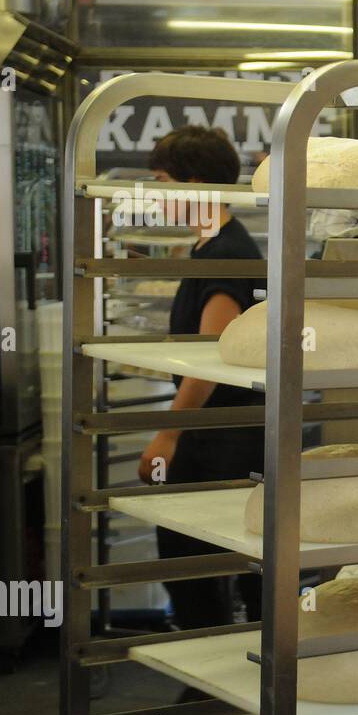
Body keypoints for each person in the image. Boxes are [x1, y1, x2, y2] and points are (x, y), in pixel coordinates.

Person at [138, 127, 265, 652]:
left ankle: (243, 680)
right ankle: (221, 676)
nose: (151, 193)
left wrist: (168, 437)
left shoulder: (227, 254)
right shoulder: (211, 245)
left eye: (160, 181)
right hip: (219, 429)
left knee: (213, 560)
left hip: (222, 433)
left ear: (194, 183)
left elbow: (210, 362)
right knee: (198, 558)